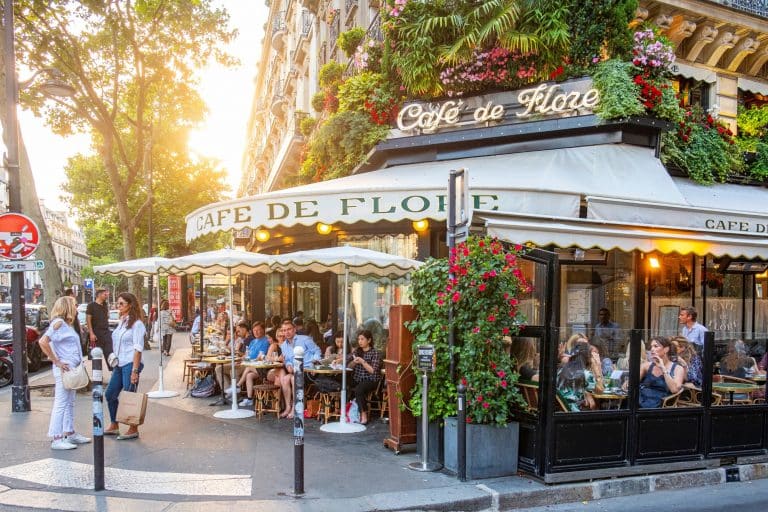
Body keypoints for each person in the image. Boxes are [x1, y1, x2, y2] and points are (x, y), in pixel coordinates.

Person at [37, 296, 92, 450]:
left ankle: (69, 432)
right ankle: (56, 437)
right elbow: (43, 341)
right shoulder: (58, 323)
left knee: (69, 402)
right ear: (67, 306)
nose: (76, 307)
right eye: (74, 305)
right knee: (61, 403)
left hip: (71, 369)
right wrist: (57, 361)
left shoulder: (66, 324)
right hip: (64, 369)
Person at [104, 292, 146, 440]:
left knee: (129, 395)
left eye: (121, 303)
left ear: (130, 305)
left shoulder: (137, 324)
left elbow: (138, 349)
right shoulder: (122, 321)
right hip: (119, 363)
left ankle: (133, 428)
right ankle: (114, 424)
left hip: (130, 363)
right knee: (110, 394)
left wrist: (135, 370)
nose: (118, 306)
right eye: (118, 303)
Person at [279, 320, 321, 418]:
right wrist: (288, 365)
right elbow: (288, 360)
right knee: (285, 379)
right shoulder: (283, 346)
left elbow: (317, 351)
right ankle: (288, 408)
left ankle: (296, 408)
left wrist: (314, 363)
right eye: (284, 330)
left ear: (294, 329)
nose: (287, 332)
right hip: (295, 370)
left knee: (294, 379)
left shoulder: (305, 339)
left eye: (289, 329)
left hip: (308, 370)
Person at [639, 336, 684, 408]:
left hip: (660, 404)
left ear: (666, 349)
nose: (652, 349)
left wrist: (663, 368)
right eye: (651, 347)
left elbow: (674, 390)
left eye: (655, 346)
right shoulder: (646, 366)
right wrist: (628, 382)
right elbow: (632, 383)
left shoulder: (678, 369)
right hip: (641, 399)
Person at [348, 330, 382, 425]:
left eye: (362, 339)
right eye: (359, 339)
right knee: (344, 385)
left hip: (371, 379)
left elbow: (373, 371)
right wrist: (354, 362)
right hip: (358, 378)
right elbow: (349, 365)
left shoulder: (375, 353)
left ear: (369, 340)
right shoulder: (357, 351)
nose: (360, 341)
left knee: (359, 390)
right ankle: (347, 412)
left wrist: (363, 362)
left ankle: (363, 414)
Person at [557, 342, 602, 411]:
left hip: (561, 411)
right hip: (575, 414)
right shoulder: (586, 374)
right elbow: (600, 390)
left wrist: (586, 393)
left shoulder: (561, 370)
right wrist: (597, 367)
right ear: (588, 357)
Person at [86, 288, 113, 368]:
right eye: (105, 294)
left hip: (106, 332)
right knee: (96, 354)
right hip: (96, 333)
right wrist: (91, 333)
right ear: (99, 295)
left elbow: (106, 317)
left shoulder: (105, 305)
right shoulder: (91, 305)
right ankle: (97, 375)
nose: (106, 296)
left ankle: (113, 370)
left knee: (110, 352)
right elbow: (88, 319)